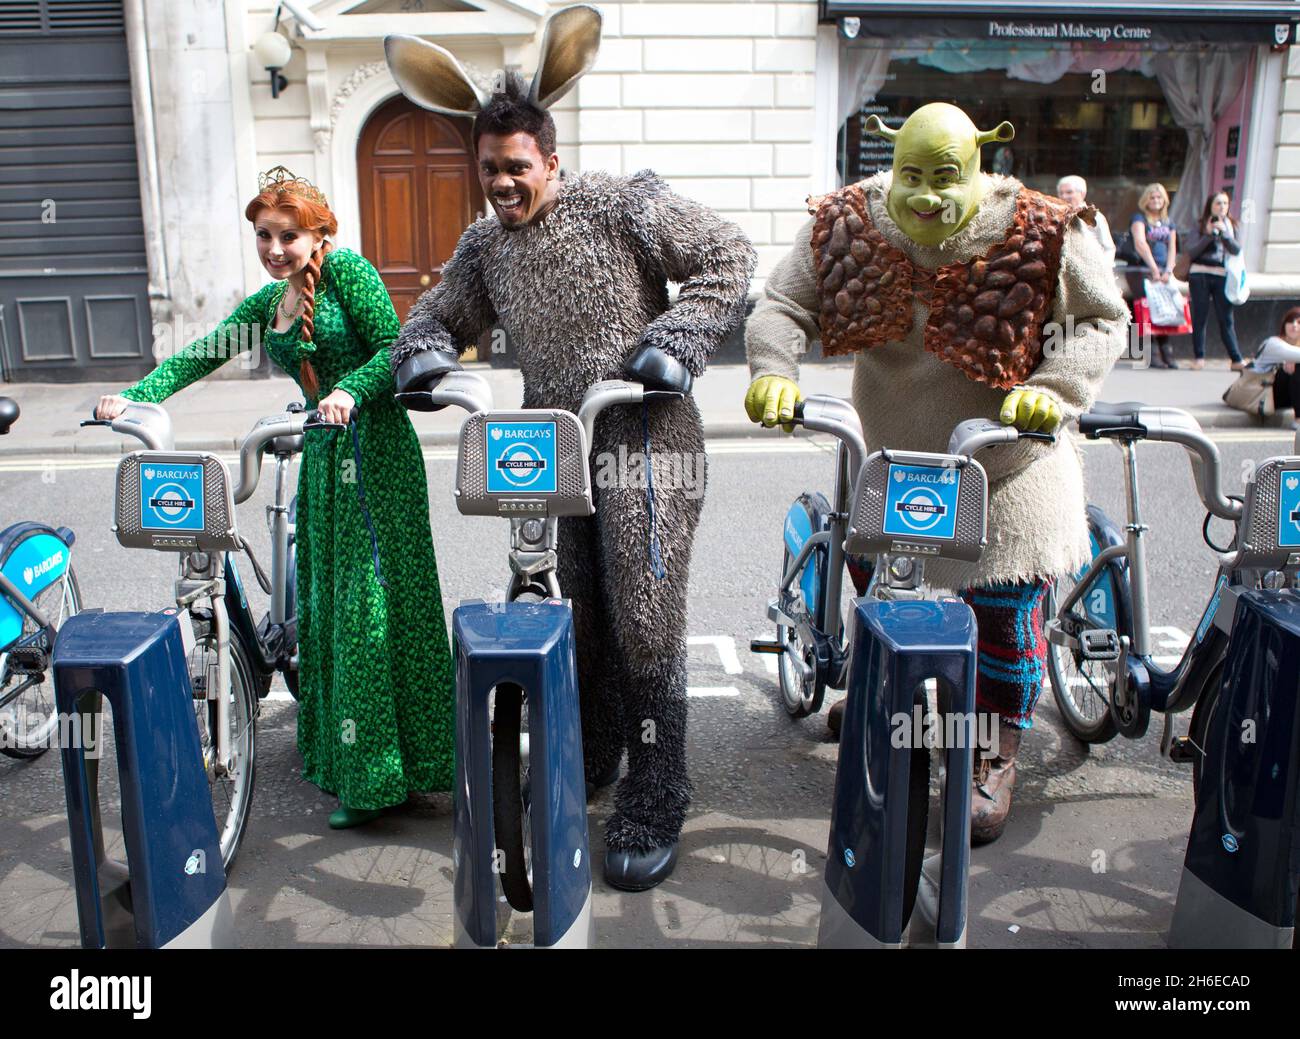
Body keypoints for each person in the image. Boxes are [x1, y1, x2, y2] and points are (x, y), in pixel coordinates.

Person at [385, 6, 756, 890]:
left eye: (518, 168)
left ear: (550, 158)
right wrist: (424, 353)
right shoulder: (485, 244)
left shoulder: (624, 204)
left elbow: (729, 256)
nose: (504, 185)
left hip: (644, 439)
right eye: (489, 172)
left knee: (644, 614)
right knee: (576, 612)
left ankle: (659, 784)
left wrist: (678, 342)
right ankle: (594, 748)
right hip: (551, 448)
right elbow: (436, 314)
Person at [743, 103, 1128, 845]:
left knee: (1004, 621)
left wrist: (1054, 388)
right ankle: (881, 691)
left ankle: (993, 746)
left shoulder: (1042, 227)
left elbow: (1102, 320)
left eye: (944, 177)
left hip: (1008, 466)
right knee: (883, 597)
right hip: (893, 466)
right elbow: (785, 303)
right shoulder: (851, 220)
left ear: (980, 165)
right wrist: (774, 367)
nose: (923, 196)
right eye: (911, 176)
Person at [95, 167, 455, 830]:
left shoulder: (350, 271)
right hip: (323, 452)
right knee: (326, 604)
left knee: (369, 606)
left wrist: (350, 390)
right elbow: (203, 353)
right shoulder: (271, 304)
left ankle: (385, 772)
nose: (275, 247)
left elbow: (395, 346)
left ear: (318, 234)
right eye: (265, 235)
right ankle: (349, 756)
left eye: (289, 235)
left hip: (374, 452)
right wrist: (138, 394)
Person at [1185, 191, 1245, 370]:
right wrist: (1209, 235)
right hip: (1200, 275)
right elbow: (1191, 251)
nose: (1222, 207)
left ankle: (1236, 359)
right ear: (1210, 205)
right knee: (1200, 317)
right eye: (1218, 203)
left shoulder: (1231, 226)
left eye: (1225, 204)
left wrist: (1225, 234)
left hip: (1222, 276)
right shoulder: (1200, 226)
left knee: (1226, 318)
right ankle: (1199, 358)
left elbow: (1236, 250)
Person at [1129, 183, 1180, 369]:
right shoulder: (1139, 218)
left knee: (1164, 311)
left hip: (1163, 271)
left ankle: (1167, 352)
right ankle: (1151, 354)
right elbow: (1140, 243)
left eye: (1159, 197)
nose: (1156, 201)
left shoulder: (1169, 222)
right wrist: (1154, 269)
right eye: (1152, 197)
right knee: (1146, 312)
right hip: (1144, 270)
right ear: (1146, 200)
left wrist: (1168, 270)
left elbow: (1172, 247)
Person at [1057, 175, 1115, 266]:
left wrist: (1103, 271)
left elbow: (1108, 248)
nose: (1064, 196)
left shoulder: (1096, 217)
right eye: (1061, 193)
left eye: (1069, 192)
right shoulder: (1057, 216)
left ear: (1082, 193)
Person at [1252, 306, 1300, 416]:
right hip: (1262, 394)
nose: (1294, 325)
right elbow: (1292, 354)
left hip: (1287, 396)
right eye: (1290, 321)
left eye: (1299, 322)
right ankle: (1298, 421)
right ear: (1284, 325)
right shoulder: (1273, 343)